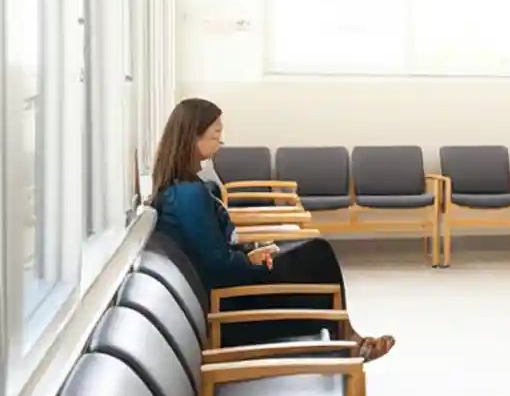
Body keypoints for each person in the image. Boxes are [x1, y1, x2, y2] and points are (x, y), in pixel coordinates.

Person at [151, 98, 395, 359]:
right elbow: (217, 264)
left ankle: (347, 336)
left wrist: (252, 251)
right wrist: (250, 259)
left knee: (311, 252)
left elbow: (212, 248)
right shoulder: (188, 195)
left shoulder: (182, 189)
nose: (220, 142)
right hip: (231, 307)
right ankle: (347, 338)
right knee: (317, 254)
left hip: (227, 290)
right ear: (192, 137)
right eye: (215, 134)